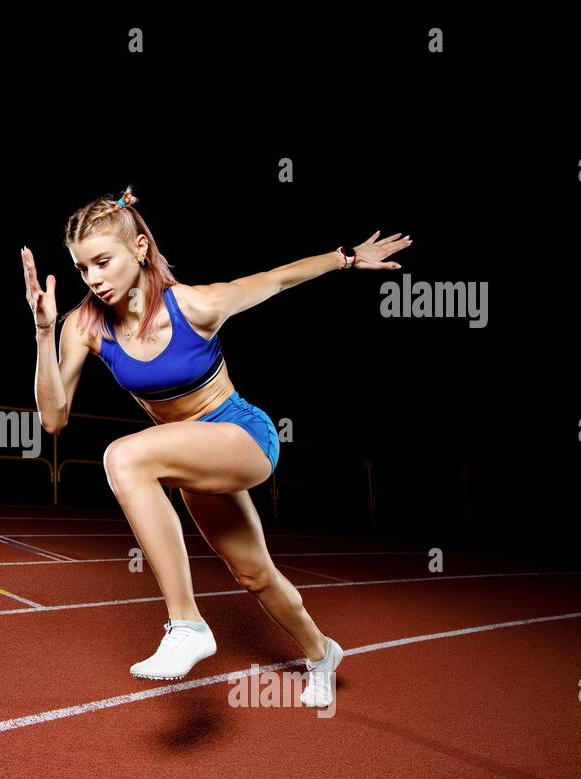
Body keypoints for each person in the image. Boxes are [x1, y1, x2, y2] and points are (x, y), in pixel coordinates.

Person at [22, 185, 412, 707]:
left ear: (139, 248)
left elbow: (277, 279)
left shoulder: (195, 305)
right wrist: (45, 335)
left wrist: (345, 258)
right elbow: (52, 418)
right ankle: (322, 652)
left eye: (102, 262)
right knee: (255, 575)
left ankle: (186, 625)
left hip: (242, 436)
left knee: (124, 456)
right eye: (82, 269)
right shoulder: (84, 327)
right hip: (187, 459)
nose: (93, 279)